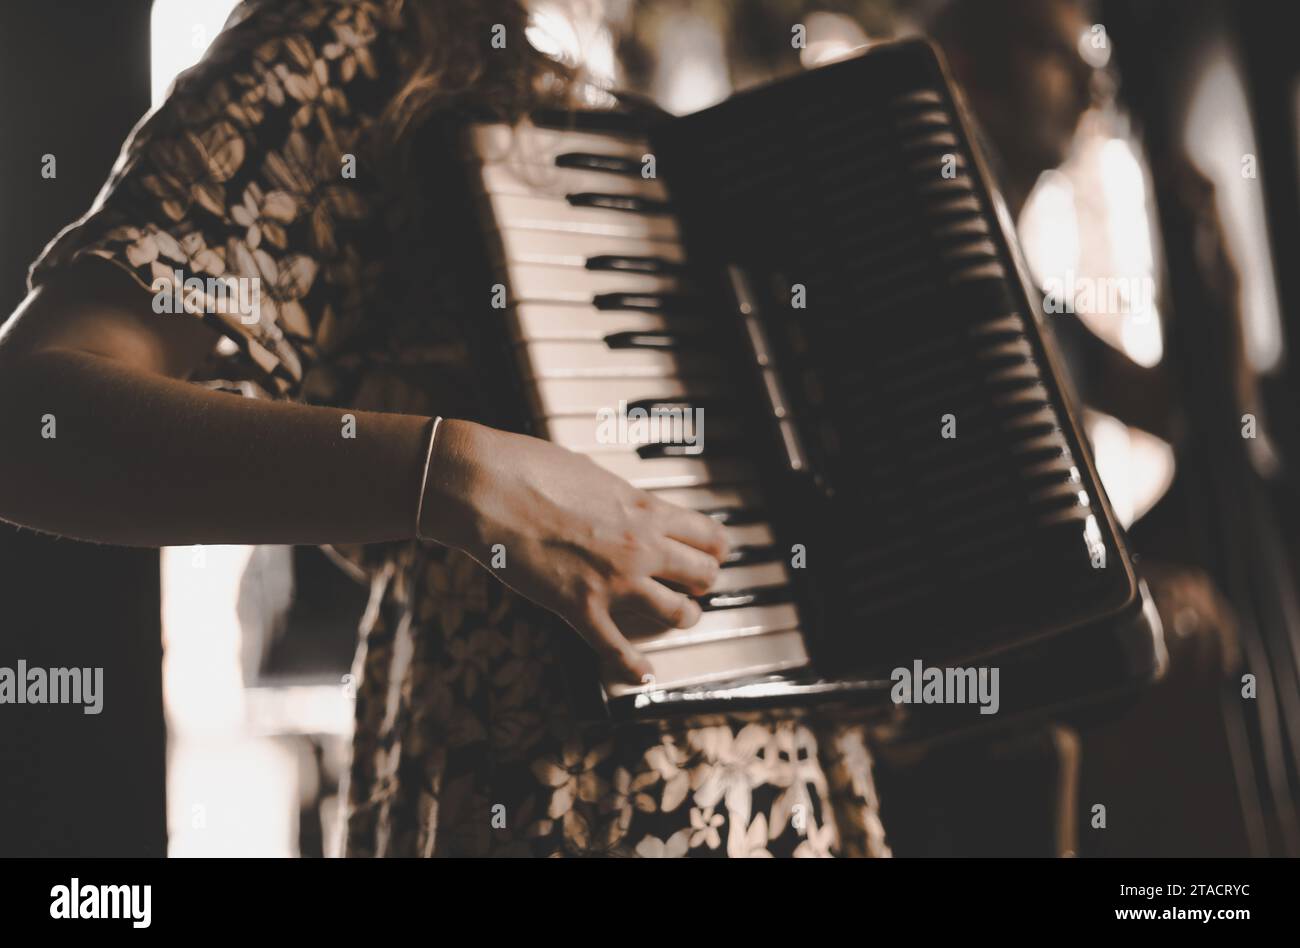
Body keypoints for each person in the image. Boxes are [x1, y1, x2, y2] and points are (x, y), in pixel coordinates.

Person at [0, 0, 888, 857]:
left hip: (802, 780)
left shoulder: (747, 31)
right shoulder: (355, 32)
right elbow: (30, 418)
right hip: (548, 796)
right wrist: (457, 475)